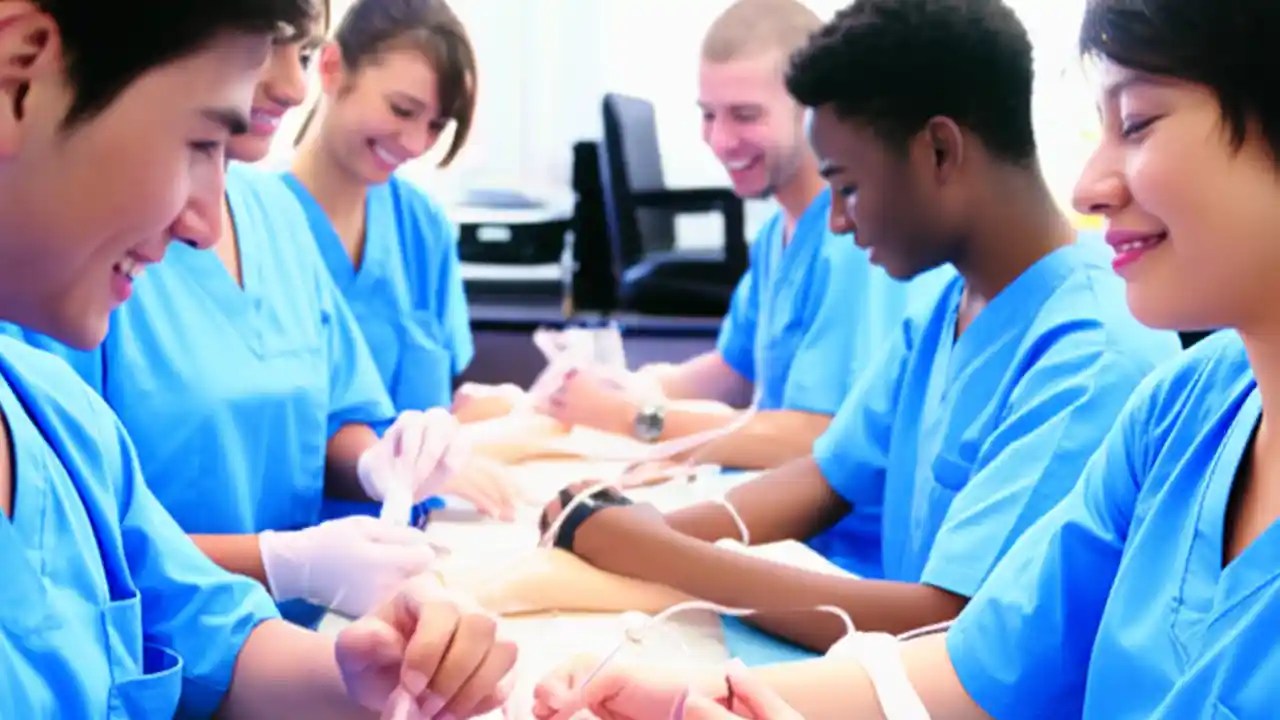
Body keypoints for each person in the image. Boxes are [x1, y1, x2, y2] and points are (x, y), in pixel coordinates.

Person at [534, 0, 1280, 716]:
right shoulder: (1186, 407)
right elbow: (976, 664)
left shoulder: (1099, 353)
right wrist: (690, 695)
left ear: (940, 150)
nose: (1089, 184)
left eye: (1140, 123)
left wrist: (657, 547)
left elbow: (943, 620)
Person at [0, 1, 512, 718]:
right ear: (21, 76)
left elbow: (210, 632)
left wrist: (368, 677)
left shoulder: (52, 416)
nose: (205, 221)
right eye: (199, 142)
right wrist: (291, 562)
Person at [459, 0, 947, 478]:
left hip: (839, 544)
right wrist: (599, 388)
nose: (719, 140)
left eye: (745, 115)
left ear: (814, 113)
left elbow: (821, 437)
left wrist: (639, 416)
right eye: (709, 115)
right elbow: (733, 373)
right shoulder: (779, 234)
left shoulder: (857, 244)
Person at [284, 0, 474, 417]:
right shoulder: (257, 226)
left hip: (421, 483)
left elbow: (442, 409)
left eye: (436, 126)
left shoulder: (422, 227)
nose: (415, 144)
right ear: (332, 68)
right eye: (402, 110)